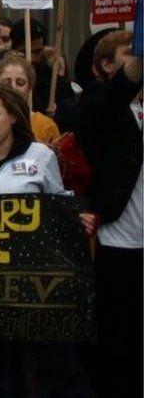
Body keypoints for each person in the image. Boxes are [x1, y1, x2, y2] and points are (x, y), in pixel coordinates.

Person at [0, 84, 95, 397]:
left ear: (14, 116)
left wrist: (76, 217)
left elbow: (57, 203)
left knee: (53, 367)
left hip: (32, 285)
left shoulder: (40, 156)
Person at [75, 33, 142, 397]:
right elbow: (101, 109)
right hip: (118, 241)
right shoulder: (100, 105)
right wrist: (134, 71)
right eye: (131, 53)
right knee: (119, 339)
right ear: (108, 65)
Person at [0, 52, 60, 144]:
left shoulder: (45, 126)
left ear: (29, 88)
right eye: (6, 82)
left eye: (20, 83)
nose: (13, 87)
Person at [9, 19, 74, 112]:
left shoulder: (57, 84)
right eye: (25, 52)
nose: (31, 58)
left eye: (37, 52)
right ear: (13, 51)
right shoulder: (2, 82)